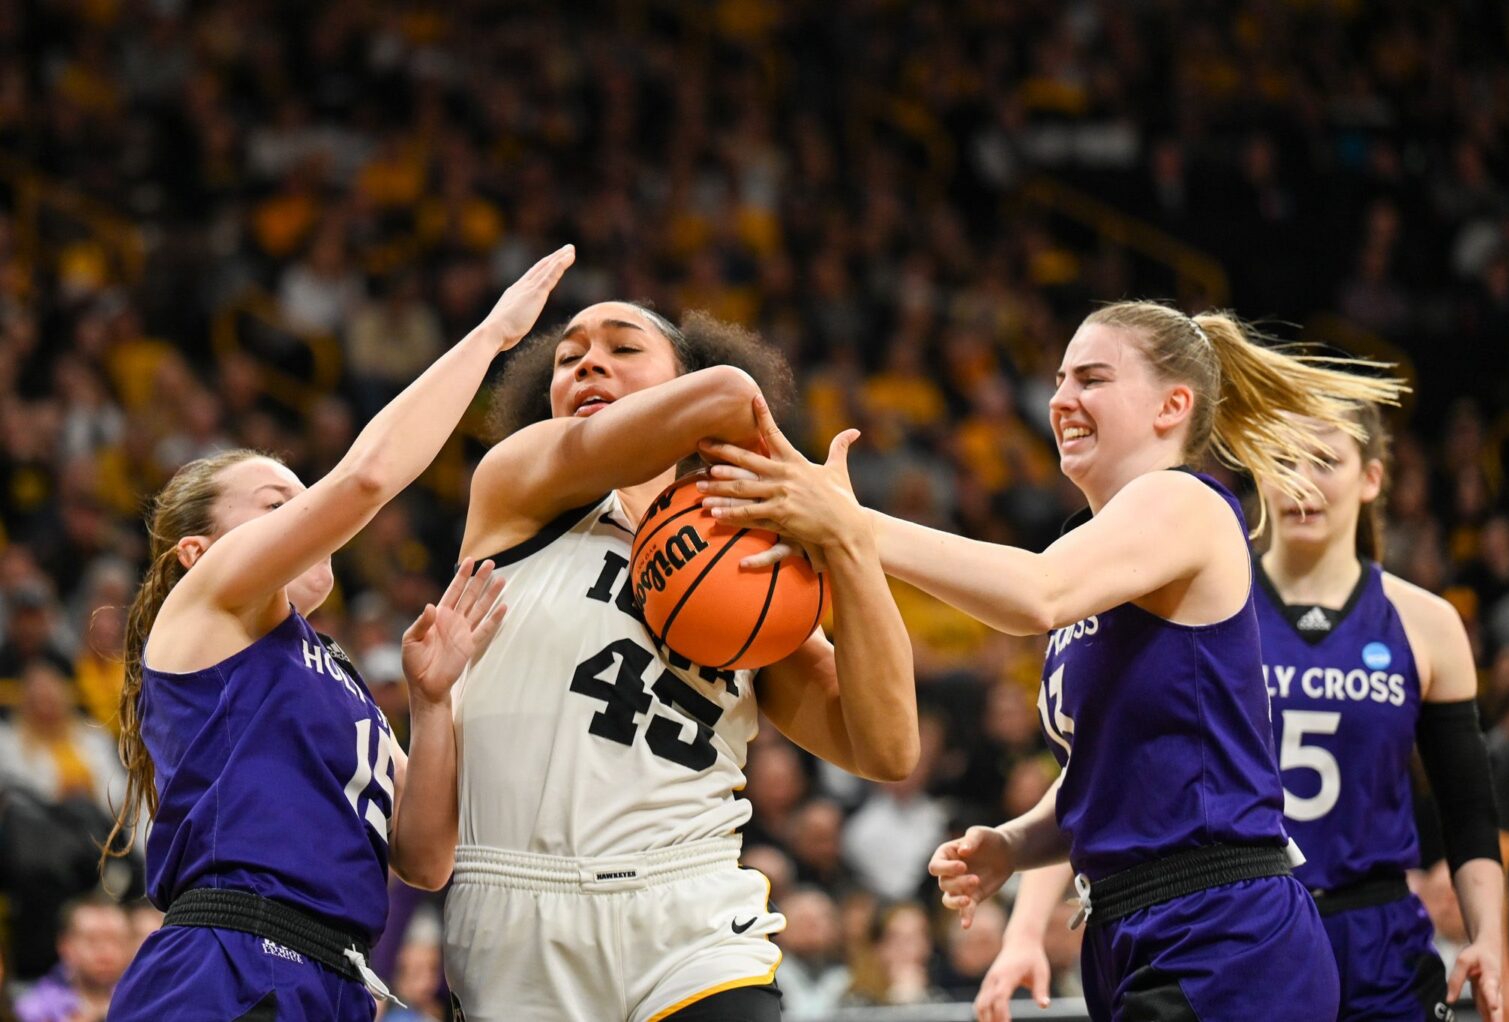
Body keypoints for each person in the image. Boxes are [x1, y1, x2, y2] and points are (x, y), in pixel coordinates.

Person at [700, 301, 1406, 1021]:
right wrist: (1015, 844)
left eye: (1093, 379)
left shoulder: (1184, 501)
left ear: (1173, 405)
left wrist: (849, 523)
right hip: (1131, 927)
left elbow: (1035, 593)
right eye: (1062, 379)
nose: (1062, 398)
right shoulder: (1099, 553)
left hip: (1224, 930)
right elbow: (1111, 774)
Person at [101, 246, 574, 1021]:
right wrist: (491, 335)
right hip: (229, 959)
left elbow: (423, 859)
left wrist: (430, 703)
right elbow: (365, 478)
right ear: (198, 551)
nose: (303, 516)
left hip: (338, 980)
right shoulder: (208, 606)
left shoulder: (336, 676)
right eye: (276, 504)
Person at [412, 301, 918, 1021]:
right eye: (568, 357)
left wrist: (848, 543)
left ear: (680, 375)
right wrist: (782, 469)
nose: (589, 362)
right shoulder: (518, 487)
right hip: (517, 911)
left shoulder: (751, 561)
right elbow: (728, 395)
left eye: (624, 348)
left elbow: (888, 746)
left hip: (693, 911)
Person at [969, 408, 1507, 1021]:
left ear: (1372, 479)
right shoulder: (1197, 584)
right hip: (1236, 923)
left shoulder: (1426, 623)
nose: (1301, 480)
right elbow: (1100, 774)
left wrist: (1492, 939)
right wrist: (1025, 929)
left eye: (1326, 461)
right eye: (1283, 460)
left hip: (1373, 933)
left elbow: (1469, 810)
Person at [15, 893, 131, 1022]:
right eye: (92, 940)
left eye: (115, 940)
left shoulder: (139, 1001)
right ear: (65, 945)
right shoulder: (35, 1009)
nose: (105, 950)